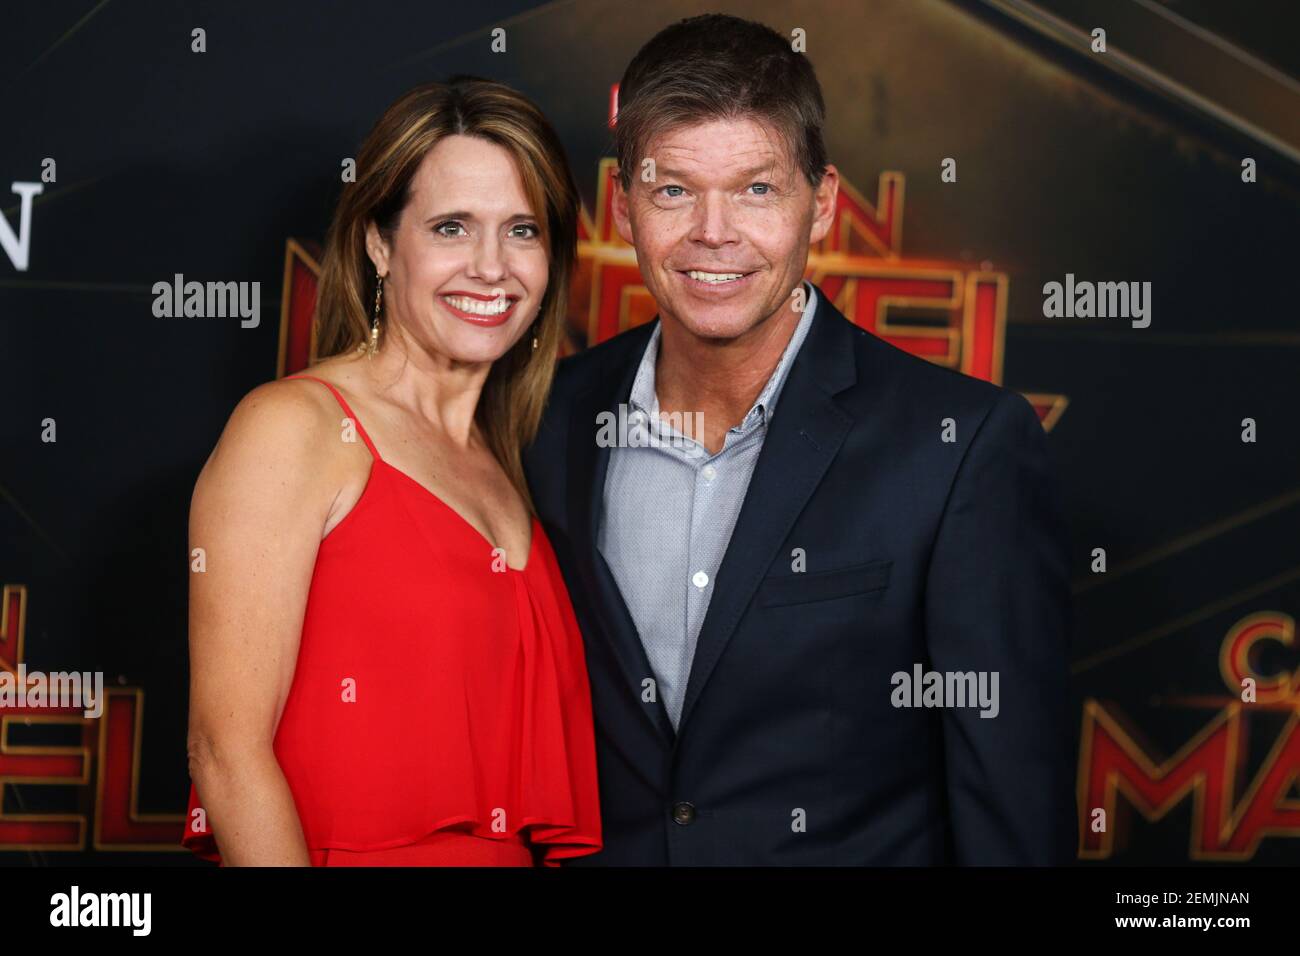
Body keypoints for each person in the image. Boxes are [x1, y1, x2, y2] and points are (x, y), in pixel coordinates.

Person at [523, 15, 1076, 864]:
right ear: (624, 207)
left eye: (756, 189)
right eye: (674, 190)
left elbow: (1009, 800)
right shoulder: (545, 418)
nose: (714, 232)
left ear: (821, 205)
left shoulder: (960, 445)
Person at [182, 77, 600, 866]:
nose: (490, 267)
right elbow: (225, 754)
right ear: (379, 242)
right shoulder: (294, 428)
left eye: (522, 231)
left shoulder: (508, 459)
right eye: (451, 227)